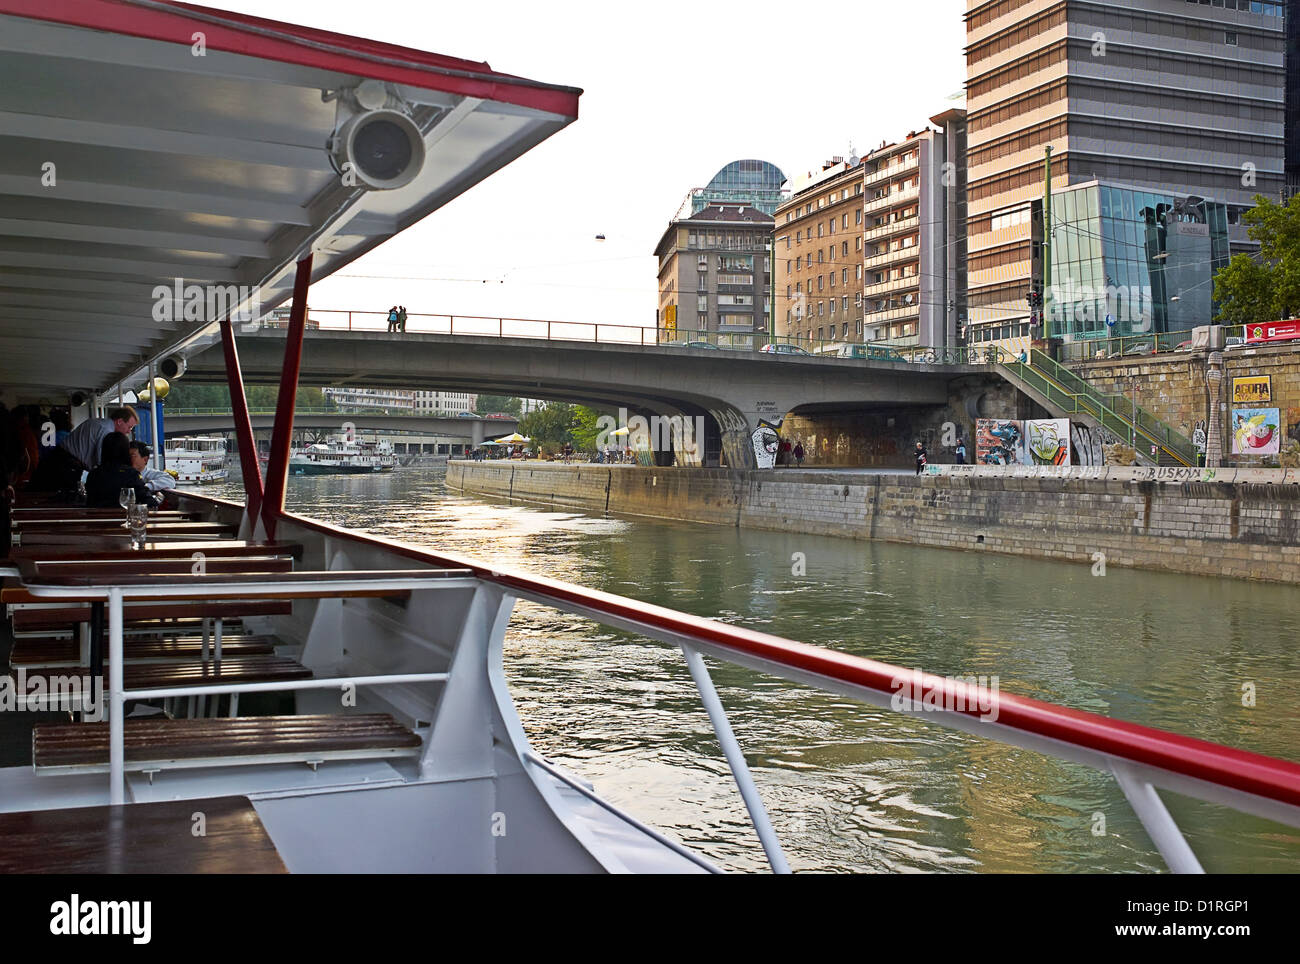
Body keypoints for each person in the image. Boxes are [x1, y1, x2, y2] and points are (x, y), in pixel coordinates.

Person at [29, 405, 137, 494]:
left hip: (60, 459)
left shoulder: (96, 422)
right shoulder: (106, 431)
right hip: (65, 466)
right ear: (119, 422)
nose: (128, 431)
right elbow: (102, 463)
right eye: (129, 427)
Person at [84, 432, 156, 508]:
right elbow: (147, 499)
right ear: (125, 451)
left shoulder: (94, 474)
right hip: (122, 517)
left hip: (95, 518)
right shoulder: (131, 474)